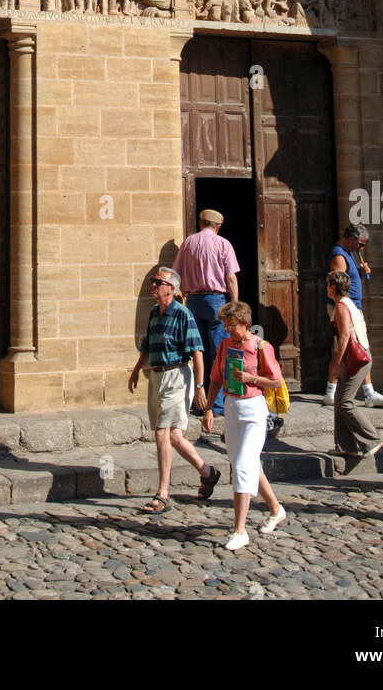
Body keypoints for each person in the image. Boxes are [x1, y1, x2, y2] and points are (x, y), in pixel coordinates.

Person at [128, 267, 220, 515]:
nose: (153, 285)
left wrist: (200, 387)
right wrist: (137, 370)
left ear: (172, 288)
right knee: (175, 437)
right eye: (153, 281)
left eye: (158, 282)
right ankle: (208, 472)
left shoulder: (183, 315)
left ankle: (162, 493)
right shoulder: (153, 313)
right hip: (157, 375)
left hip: (177, 376)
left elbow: (197, 352)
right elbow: (147, 345)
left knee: (161, 433)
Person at [202, 300, 286, 548]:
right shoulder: (225, 346)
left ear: (246, 323)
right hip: (231, 407)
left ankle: (239, 531)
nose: (228, 329)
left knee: (241, 467)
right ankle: (276, 509)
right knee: (247, 464)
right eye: (226, 324)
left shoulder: (261, 346)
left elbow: (276, 380)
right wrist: (208, 408)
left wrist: (253, 378)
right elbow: (216, 378)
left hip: (253, 409)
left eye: (232, 324)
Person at [173, 209, 239, 416]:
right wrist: (235, 305)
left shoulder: (188, 243)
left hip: (193, 300)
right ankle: (216, 403)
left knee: (197, 351)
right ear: (217, 226)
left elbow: (176, 272)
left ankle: (197, 401)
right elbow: (231, 279)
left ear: (201, 223)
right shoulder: (223, 244)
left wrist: (184, 292)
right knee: (219, 352)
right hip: (216, 300)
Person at [326, 225, 383, 407]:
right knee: (343, 346)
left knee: (358, 346)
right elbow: (338, 284)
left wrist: (361, 273)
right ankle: (331, 392)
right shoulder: (339, 255)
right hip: (347, 307)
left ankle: (367, 391)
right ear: (351, 239)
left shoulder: (350, 253)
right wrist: (344, 308)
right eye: (361, 244)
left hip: (351, 306)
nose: (362, 248)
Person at [326, 271, 383, 458]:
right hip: (357, 356)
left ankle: (372, 438)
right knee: (339, 401)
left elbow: (344, 337)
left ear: (334, 287)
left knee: (345, 402)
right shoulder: (348, 304)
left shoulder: (342, 307)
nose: (326, 287)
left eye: (328, 284)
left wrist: (337, 363)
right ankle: (346, 446)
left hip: (356, 359)